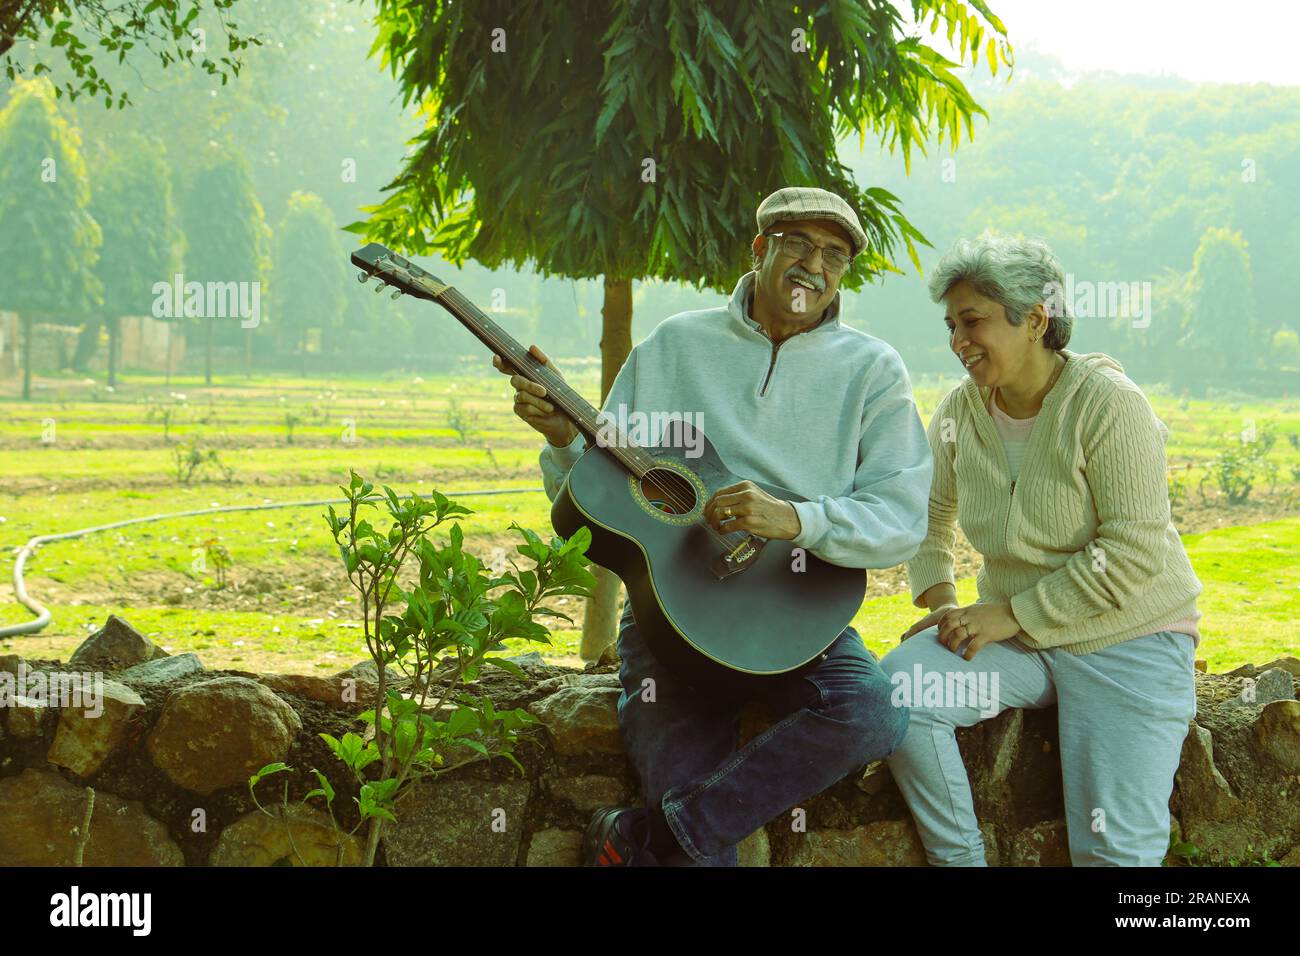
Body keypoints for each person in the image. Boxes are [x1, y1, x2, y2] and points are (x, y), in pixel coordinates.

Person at [494, 186, 931, 865]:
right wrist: (561, 440)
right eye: (799, 245)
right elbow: (603, 491)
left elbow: (901, 518)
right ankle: (680, 841)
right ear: (760, 249)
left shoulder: (872, 370)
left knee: (874, 711)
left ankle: (648, 838)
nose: (815, 266)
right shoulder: (677, 344)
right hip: (669, 620)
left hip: (793, 618)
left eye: (835, 255)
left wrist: (796, 519)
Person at [881, 233, 1203, 867]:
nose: (957, 342)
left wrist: (1016, 612)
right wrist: (943, 599)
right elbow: (930, 512)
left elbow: (1134, 549)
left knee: (1112, 856)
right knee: (900, 691)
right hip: (1023, 643)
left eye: (972, 321)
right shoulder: (959, 411)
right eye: (951, 325)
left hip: (1129, 639)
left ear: (1035, 318)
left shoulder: (1108, 405)